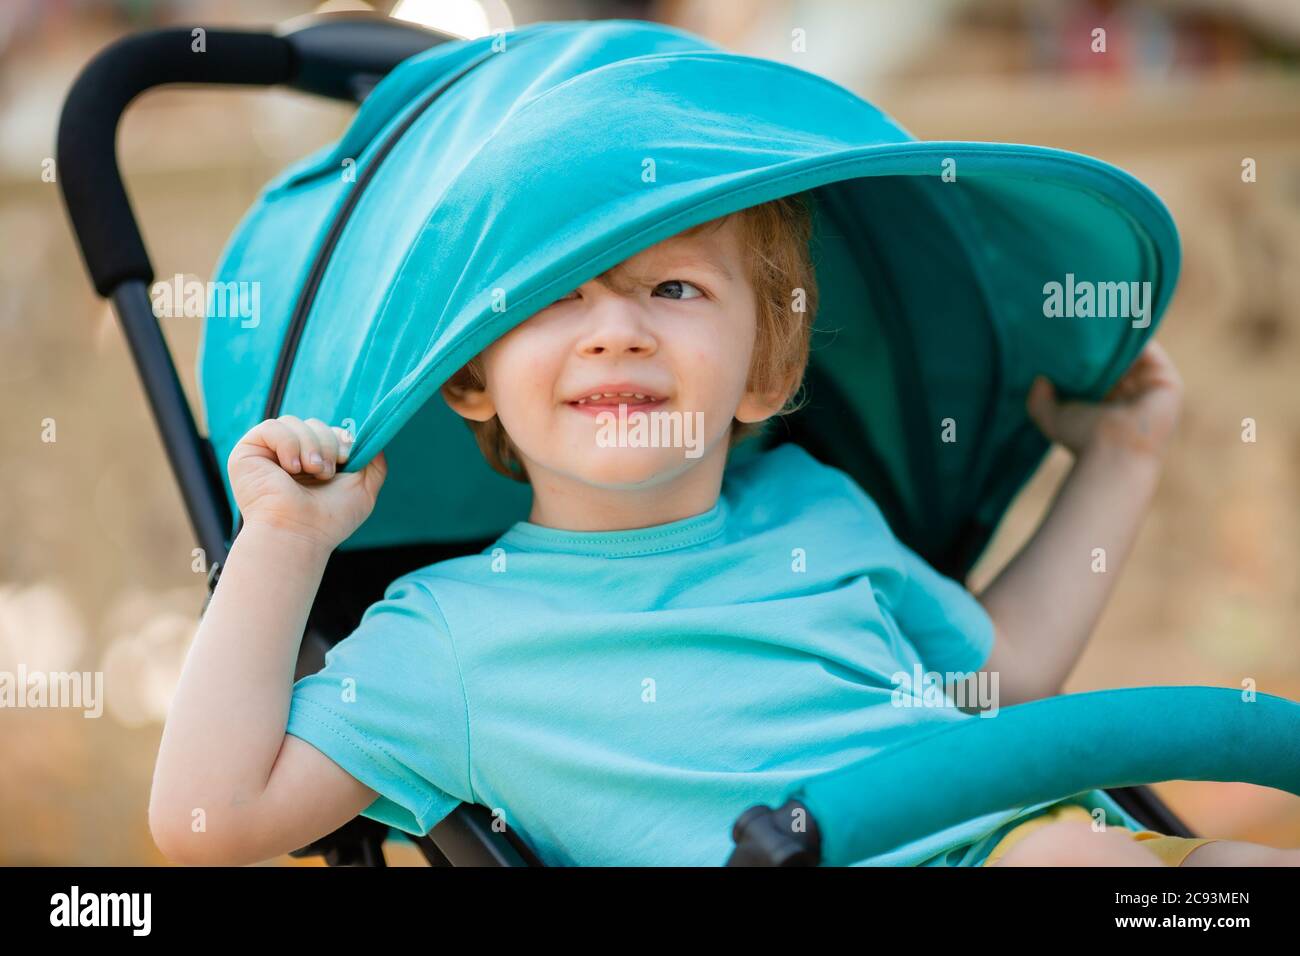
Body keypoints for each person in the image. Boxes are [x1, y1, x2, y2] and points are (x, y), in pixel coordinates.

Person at [147, 192, 1296, 867]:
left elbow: (1006, 680)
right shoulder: (448, 638)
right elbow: (206, 818)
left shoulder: (815, 508)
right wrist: (286, 540)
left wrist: (1120, 457)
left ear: (766, 367)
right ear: (471, 379)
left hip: (1032, 842)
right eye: (558, 294)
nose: (616, 331)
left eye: (676, 290)